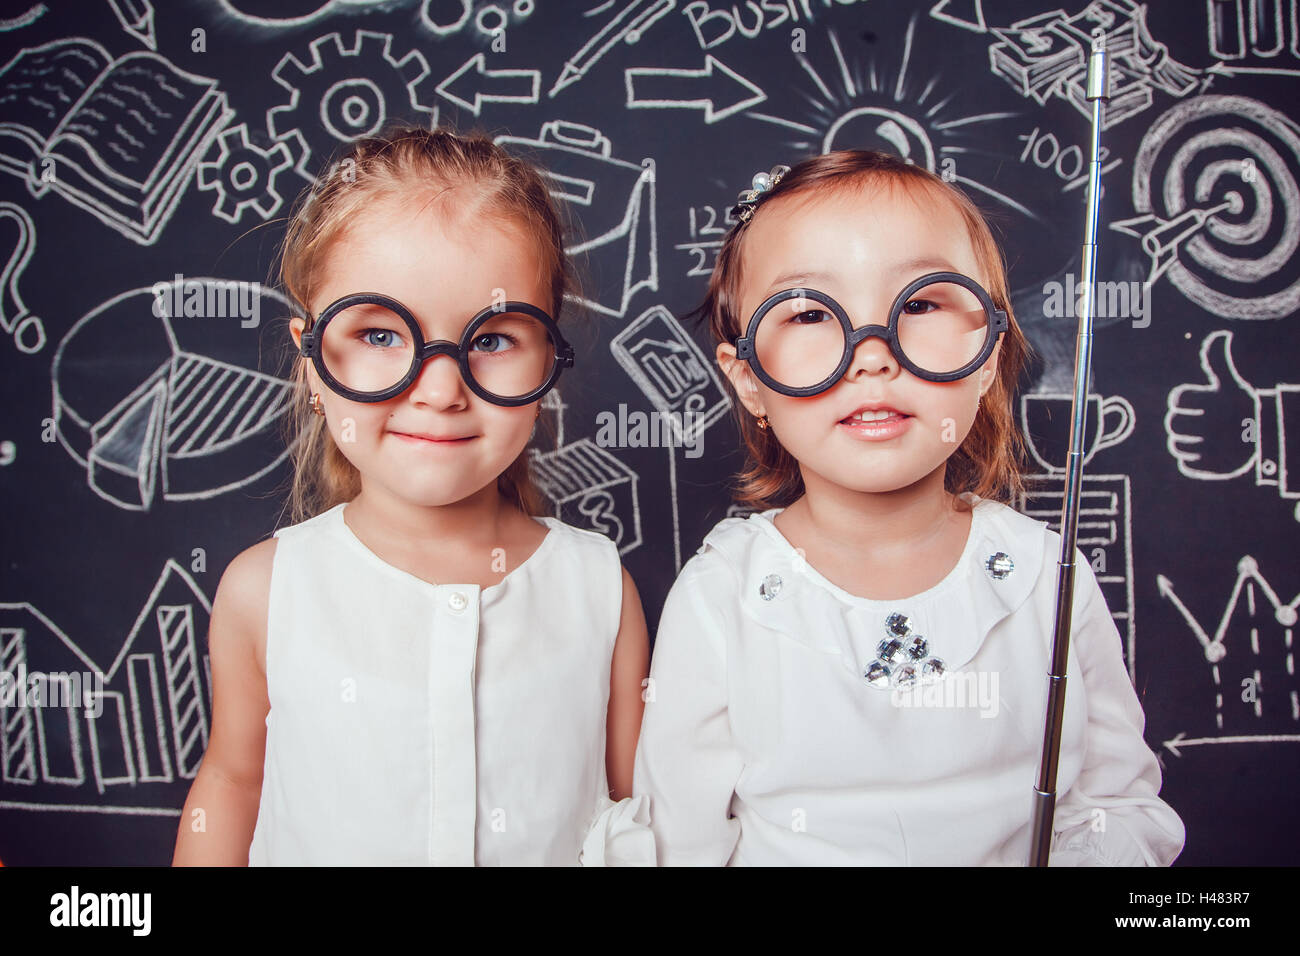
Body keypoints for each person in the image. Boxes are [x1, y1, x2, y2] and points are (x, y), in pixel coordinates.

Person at [632, 150, 1185, 866]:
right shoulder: (724, 594)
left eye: (919, 304)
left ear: (988, 352)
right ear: (749, 382)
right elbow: (681, 841)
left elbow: (1119, 810)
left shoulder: (1045, 574)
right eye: (809, 313)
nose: (871, 355)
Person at [172, 124, 653, 866]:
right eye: (380, 335)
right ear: (310, 359)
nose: (439, 390)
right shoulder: (265, 590)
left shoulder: (598, 588)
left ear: (548, 355)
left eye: (492, 340)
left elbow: (632, 807)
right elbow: (234, 780)